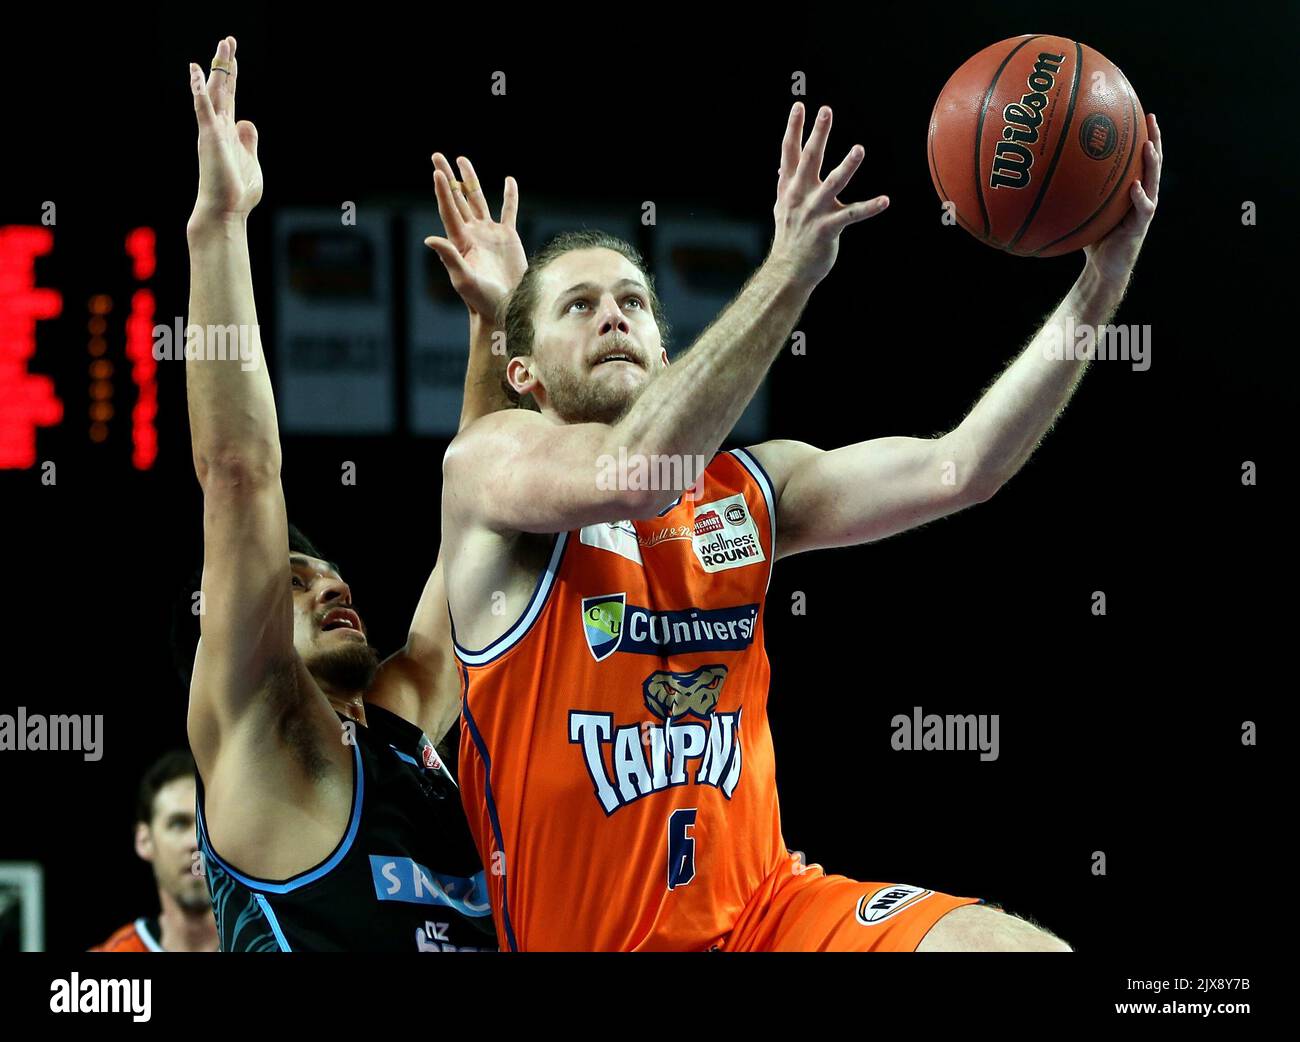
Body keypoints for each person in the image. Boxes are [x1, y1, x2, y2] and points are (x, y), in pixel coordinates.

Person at [440, 100, 1162, 951]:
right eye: (580, 305)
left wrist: (1101, 280)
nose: (614, 315)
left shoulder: (750, 487)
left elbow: (961, 467)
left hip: (768, 917)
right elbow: (636, 472)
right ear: (520, 370)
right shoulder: (491, 466)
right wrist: (791, 269)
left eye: (634, 300)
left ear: (671, 357)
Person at [181, 35, 522, 950]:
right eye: (296, 582)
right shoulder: (262, 729)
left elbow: (481, 519)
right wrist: (219, 228)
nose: (329, 585)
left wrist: (495, 322)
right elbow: (240, 472)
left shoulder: (406, 718)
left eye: (328, 574)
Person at [90, 750, 218, 952]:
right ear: (144, 841)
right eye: (178, 824)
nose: (196, 842)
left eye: (207, 823)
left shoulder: (272, 945)